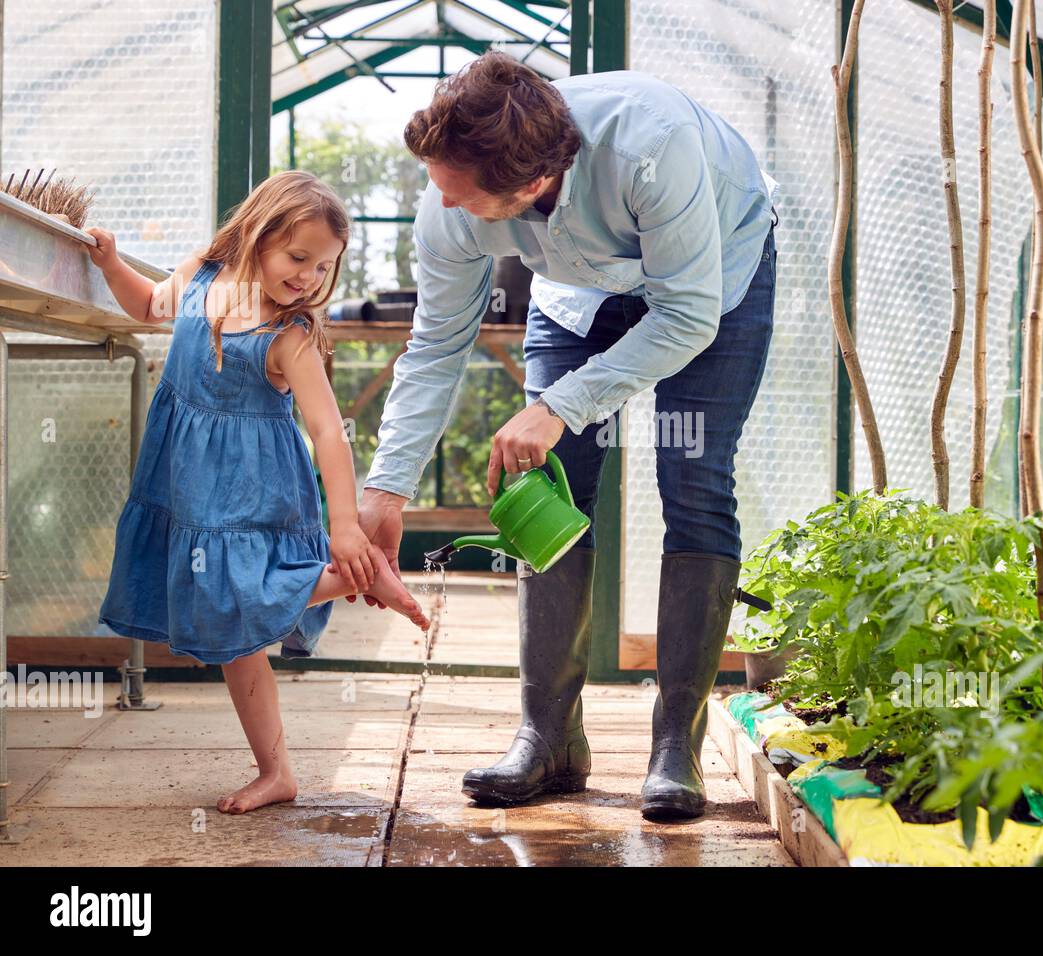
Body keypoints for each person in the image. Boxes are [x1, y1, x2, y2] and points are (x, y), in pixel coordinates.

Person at [357, 54, 778, 821]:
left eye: (455, 190)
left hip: (710, 281)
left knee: (695, 483)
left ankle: (674, 748)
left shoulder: (652, 146)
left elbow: (687, 317)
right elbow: (436, 346)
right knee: (545, 486)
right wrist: (387, 487)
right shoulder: (449, 199)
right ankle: (548, 738)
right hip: (579, 295)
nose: (437, 200)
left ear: (528, 187)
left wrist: (560, 405)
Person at [90, 171, 430, 814]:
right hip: (189, 485)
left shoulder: (289, 335)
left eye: (323, 266)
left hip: (251, 492)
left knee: (233, 595)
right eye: (298, 257)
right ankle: (277, 772)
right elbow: (146, 307)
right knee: (235, 634)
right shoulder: (201, 275)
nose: (308, 276)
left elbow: (329, 431)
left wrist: (345, 525)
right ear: (257, 232)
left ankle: (355, 576)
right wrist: (110, 263)